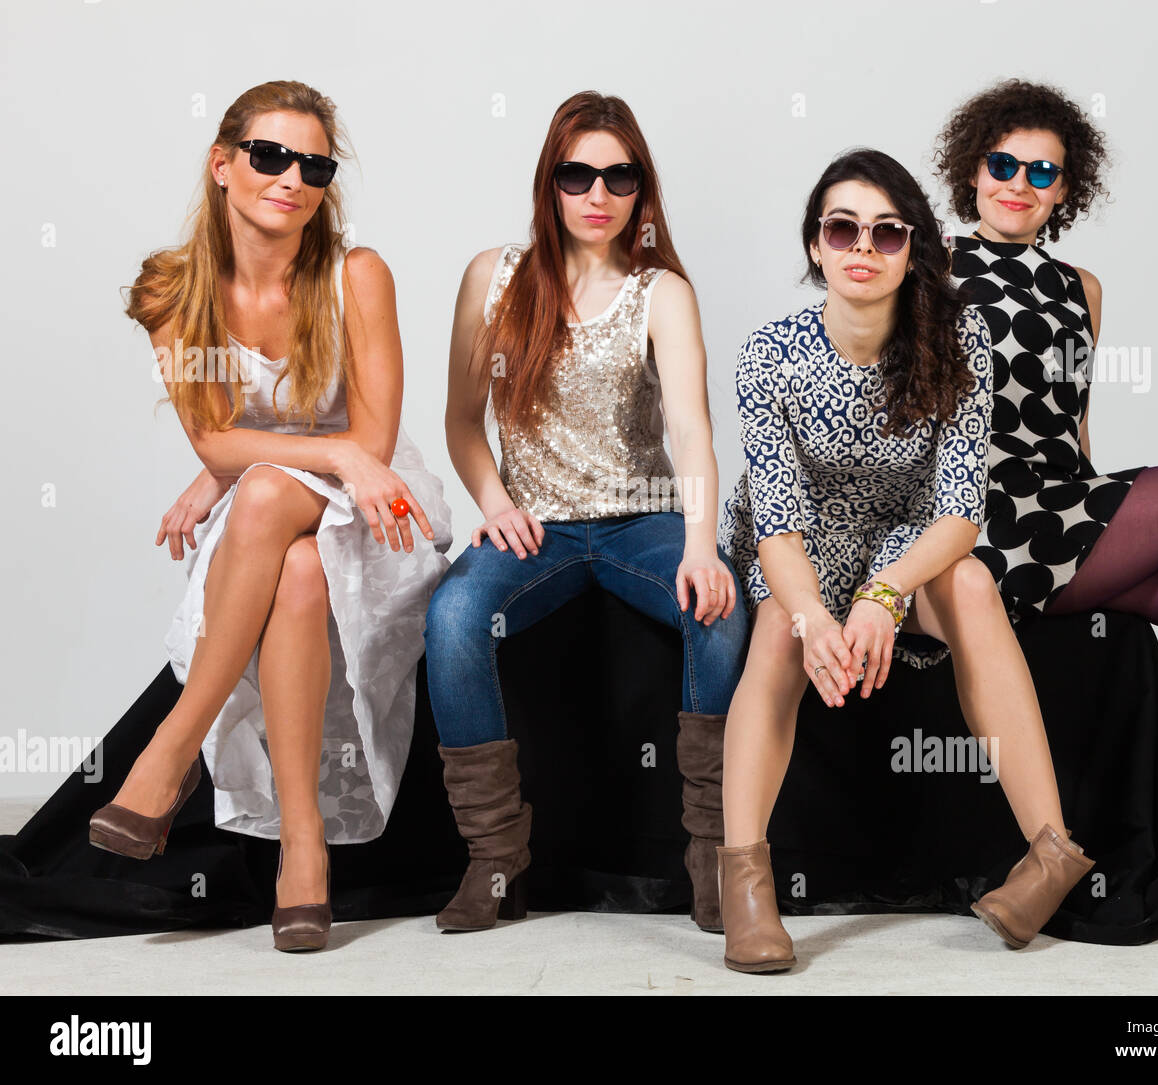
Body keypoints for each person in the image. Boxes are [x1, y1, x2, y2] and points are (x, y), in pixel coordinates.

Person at [89, 80, 453, 951]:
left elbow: (372, 437)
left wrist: (275, 467)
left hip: (379, 504)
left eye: (314, 163)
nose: (291, 176)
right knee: (290, 563)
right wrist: (286, 463)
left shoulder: (357, 275)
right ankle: (304, 851)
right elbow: (216, 441)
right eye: (269, 155)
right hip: (295, 497)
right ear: (222, 164)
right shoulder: (177, 293)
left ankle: (170, 752)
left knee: (259, 495)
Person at [715, 149, 1096, 973]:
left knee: (971, 579)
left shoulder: (959, 342)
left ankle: (1051, 853)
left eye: (887, 232)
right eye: (842, 227)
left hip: (909, 546)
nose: (863, 245)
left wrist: (884, 594)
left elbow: (961, 511)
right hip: (801, 544)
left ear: (914, 248)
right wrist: (819, 613)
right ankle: (745, 879)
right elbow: (774, 525)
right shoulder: (767, 356)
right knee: (781, 627)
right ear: (815, 244)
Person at [422, 91, 749, 934]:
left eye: (619, 175)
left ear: (641, 188)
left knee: (722, 608)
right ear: (550, 182)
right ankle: (495, 861)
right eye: (577, 174)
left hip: (641, 518)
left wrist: (702, 546)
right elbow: (461, 422)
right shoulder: (493, 278)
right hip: (538, 526)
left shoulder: (660, 291)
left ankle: (714, 854)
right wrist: (493, 501)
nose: (597, 193)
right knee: (455, 613)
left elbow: (691, 429)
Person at [936, 78, 1158, 737]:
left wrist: (1105, 504)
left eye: (1042, 171)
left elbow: (1074, 424)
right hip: (999, 522)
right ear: (973, 171)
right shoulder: (933, 270)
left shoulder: (1082, 288)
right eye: (1002, 165)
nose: (1019, 184)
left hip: (1072, 505)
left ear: (1066, 189)